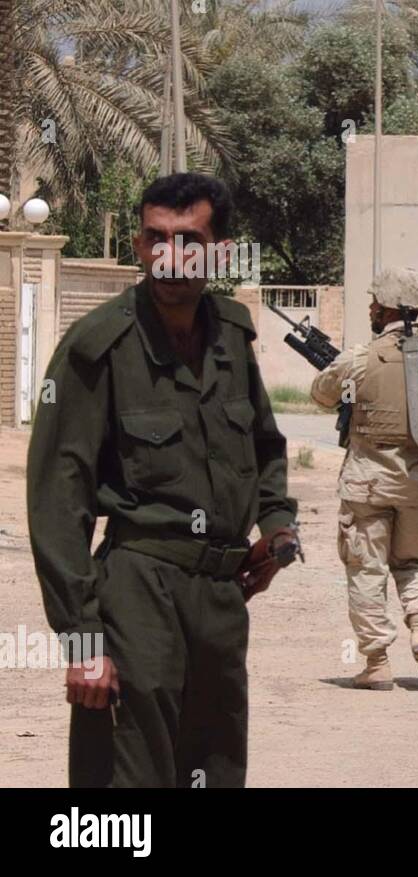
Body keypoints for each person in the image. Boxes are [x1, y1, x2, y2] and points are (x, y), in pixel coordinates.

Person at [28, 172, 300, 788]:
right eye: (157, 238)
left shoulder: (231, 336)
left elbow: (264, 447)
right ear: (138, 244)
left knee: (215, 769)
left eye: (189, 239)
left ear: (220, 251)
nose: (171, 256)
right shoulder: (97, 346)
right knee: (128, 784)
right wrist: (82, 641)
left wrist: (278, 530)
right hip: (137, 591)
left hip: (222, 599)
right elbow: (56, 500)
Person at [310, 268, 418, 690]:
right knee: (414, 562)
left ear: (385, 309)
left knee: (367, 566)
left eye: (373, 302)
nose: (369, 308)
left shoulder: (360, 359)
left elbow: (322, 394)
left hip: (368, 484)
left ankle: (377, 662)